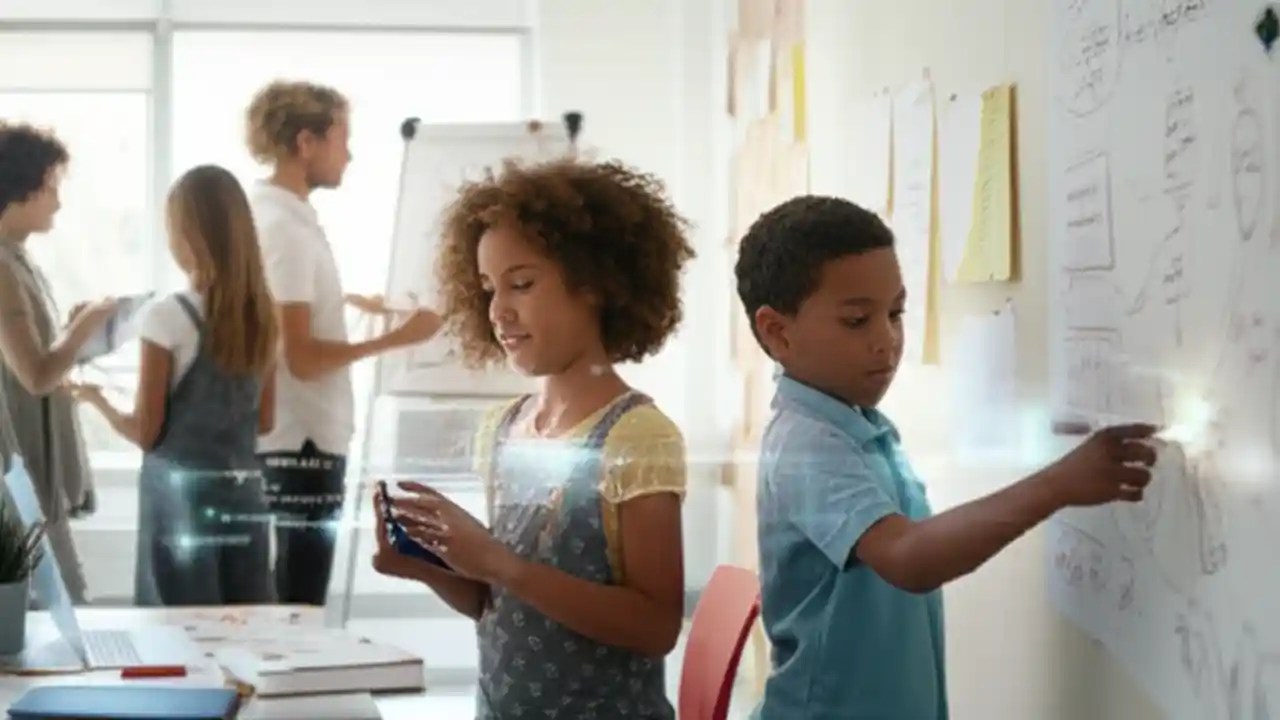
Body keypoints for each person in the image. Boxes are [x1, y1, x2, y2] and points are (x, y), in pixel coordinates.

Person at [733, 195, 1160, 719]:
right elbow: (911, 558)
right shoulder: (808, 443)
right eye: (857, 321)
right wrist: (1058, 485)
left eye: (895, 314)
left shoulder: (857, 426)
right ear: (777, 332)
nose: (886, 341)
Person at [375, 157, 696, 718]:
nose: (499, 311)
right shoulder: (501, 430)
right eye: (488, 289)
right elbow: (494, 603)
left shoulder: (638, 437)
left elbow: (654, 626)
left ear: (595, 284)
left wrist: (501, 563)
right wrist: (422, 565)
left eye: (521, 284)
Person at [244, 79, 442, 605]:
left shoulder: (286, 218)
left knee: (297, 596)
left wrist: (347, 305)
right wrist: (400, 338)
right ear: (306, 142)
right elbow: (301, 357)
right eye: (341, 138)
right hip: (298, 442)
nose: (349, 155)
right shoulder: (282, 226)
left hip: (301, 440)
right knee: (298, 602)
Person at [75, 165, 277, 606]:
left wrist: (100, 403)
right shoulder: (262, 315)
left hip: (183, 506)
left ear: (186, 235)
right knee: (247, 634)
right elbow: (264, 421)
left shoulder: (168, 316)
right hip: (245, 496)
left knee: (179, 641)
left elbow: (148, 433)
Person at [0, 122, 115, 603]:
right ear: (19, 187)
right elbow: (36, 374)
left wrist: (74, 333)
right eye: (50, 187)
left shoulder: (18, 260)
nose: (58, 202)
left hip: (31, 477)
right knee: (60, 613)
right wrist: (82, 328)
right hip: (19, 481)